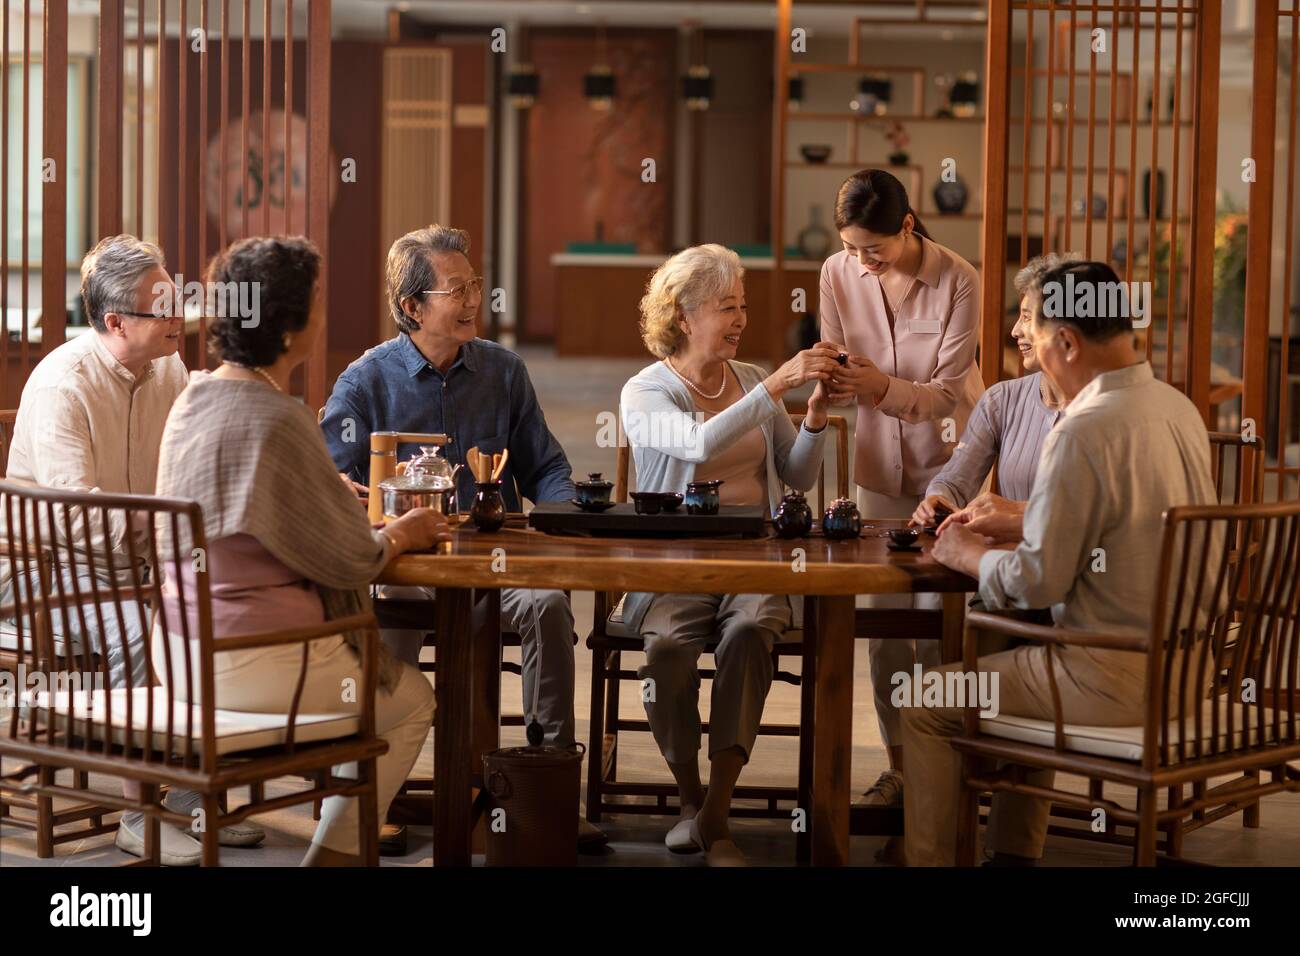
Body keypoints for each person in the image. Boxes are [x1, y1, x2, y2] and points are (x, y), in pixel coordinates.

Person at [910, 260, 1219, 866]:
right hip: (1188, 673)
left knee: (925, 702)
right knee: (1013, 656)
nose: (1026, 343)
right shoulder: (1178, 409)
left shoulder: (1083, 429)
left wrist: (965, 552)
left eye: (1034, 328)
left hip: (1109, 678)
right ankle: (1013, 856)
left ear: (1068, 342)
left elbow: (1037, 582)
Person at [154, 235, 446, 867]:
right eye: (315, 305)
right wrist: (403, 532)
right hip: (254, 664)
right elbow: (350, 559)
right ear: (289, 331)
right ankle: (332, 859)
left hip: (178, 653)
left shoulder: (191, 400)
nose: (323, 318)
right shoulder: (280, 417)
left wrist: (317, 486)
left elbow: (251, 513)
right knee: (413, 702)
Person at [319, 225, 603, 848]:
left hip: (493, 569)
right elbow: (327, 473)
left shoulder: (503, 372)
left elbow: (547, 465)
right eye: (458, 289)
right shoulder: (366, 380)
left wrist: (556, 524)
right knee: (383, 630)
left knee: (550, 608)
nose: (476, 298)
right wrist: (351, 492)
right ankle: (371, 801)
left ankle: (547, 791)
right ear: (412, 307)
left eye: (475, 284)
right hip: (406, 576)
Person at [0, 234, 265, 865]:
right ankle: (137, 813)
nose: (180, 316)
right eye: (164, 306)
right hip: (44, 574)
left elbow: (192, 458)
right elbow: (75, 520)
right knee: (143, 631)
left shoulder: (167, 369)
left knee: (219, 616)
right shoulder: (65, 385)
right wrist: (171, 535)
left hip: (140, 563)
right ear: (115, 321)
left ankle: (184, 790)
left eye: (178, 299)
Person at [621, 243, 837, 866]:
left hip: (754, 561)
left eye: (742, 306)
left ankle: (716, 809)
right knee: (665, 652)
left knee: (748, 633)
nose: (740, 319)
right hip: (673, 564)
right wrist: (775, 387)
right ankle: (691, 801)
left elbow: (794, 478)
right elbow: (694, 443)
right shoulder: (646, 391)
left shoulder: (745, 381)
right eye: (726, 308)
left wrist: (815, 418)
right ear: (684, 317)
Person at [817, 168, 983, 807]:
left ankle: (944, 770)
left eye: (874, 249)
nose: (861, 260)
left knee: (938, 619)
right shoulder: (837, 273)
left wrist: (878, 387)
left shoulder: (958, 280)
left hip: (950, 462)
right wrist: (832, 377)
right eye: (852, 246)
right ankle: (900, 769)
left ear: (908, 226)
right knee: (884, 625)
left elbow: (946, 392)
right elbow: (836, 361)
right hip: (877, 468)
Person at [910, 253, 1078, 540]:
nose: (1015, 331)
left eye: (1026, 318)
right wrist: (938, 498)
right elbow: (954, 480)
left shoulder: (1106, 410)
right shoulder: (1001, 400)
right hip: (1004, 565)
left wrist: (1016, 511)